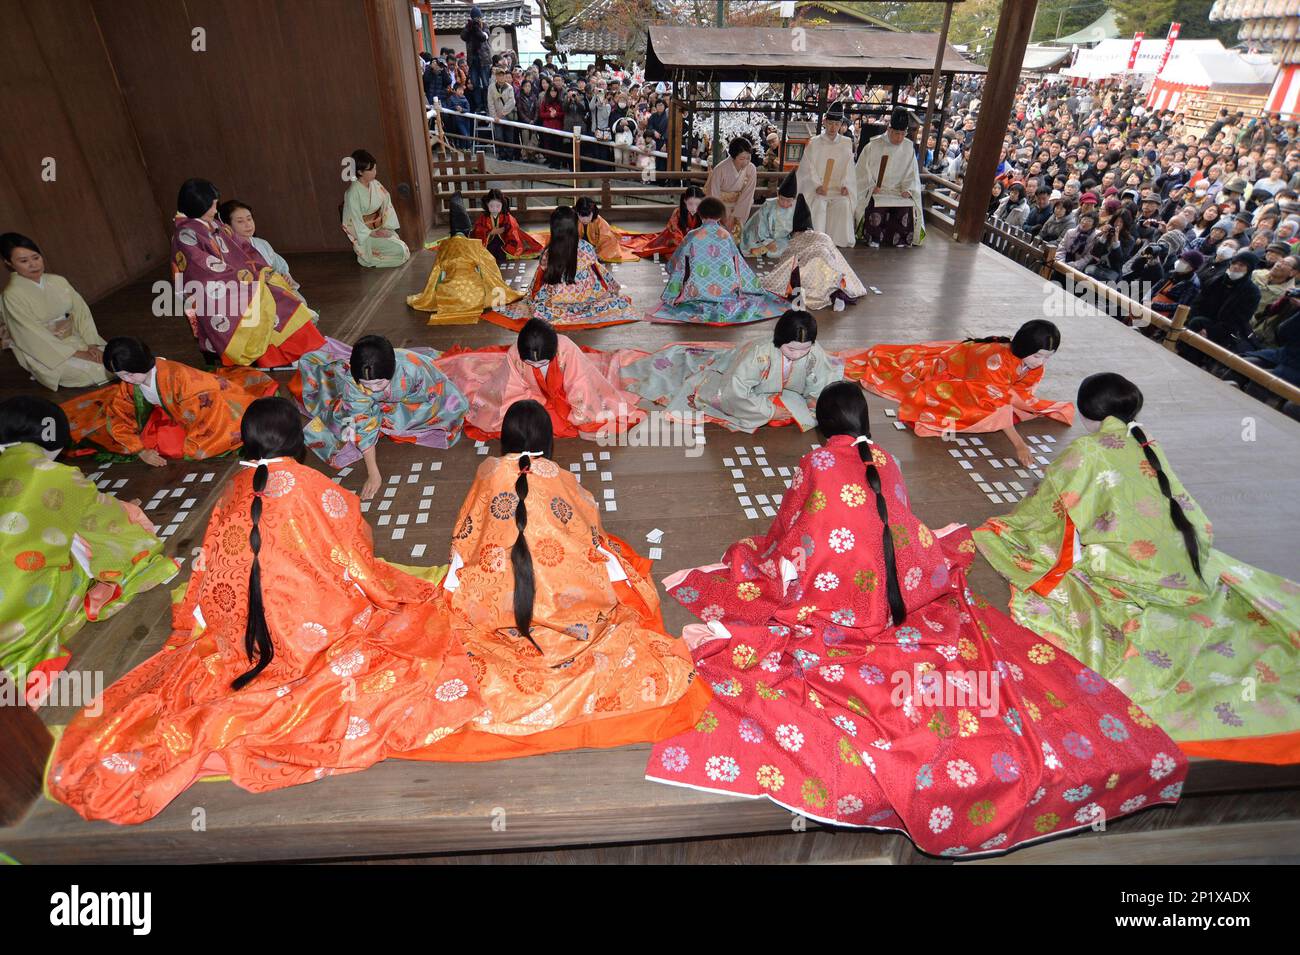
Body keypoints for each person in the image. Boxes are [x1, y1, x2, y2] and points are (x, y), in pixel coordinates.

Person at [645, 382, 1187, 853]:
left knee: (780, 574)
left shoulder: (818, 461)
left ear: (822, 425)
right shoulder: (886, 459)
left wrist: (768, 557)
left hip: (841, 597)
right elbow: (896, 521)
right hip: (907, 586)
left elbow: (794, 524)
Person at [46, 397, 482, 825]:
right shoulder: (314, 488)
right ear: (295, 440)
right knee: (401, 621)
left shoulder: (234, 492)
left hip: (243, 637)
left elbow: (210, 567)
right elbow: (352, 555)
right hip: (311, 630)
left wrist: (198, 621)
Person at [975, 373, 1299, 764]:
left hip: (1136, 567)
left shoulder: (1088, 450)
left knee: (1026, 546)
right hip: (1184, 555)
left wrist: (1016, 521)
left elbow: (1048, 502)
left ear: (1085, 411)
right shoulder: (1143, 440)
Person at [400, 400, 708, 761]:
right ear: (548, 442)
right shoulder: (558, 476)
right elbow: (588, 531)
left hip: (495, 606)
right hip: (565, 603)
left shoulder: (488, 474)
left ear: (505, 441)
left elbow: (467, 537)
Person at [0, 396, 177, 693]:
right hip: (19, 604)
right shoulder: (58, 474)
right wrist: (128, 513)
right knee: (86, 538)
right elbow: (107, 520)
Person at [842, 320, 1073, 467]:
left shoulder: (1032, 363)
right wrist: (1019, 444)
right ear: (1024, 348)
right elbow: (999, 402)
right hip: (952, 369)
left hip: (985, 378)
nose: (1041, 362)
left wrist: (1020, 402)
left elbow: (1018, 392)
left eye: (1047, 356)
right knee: (979, 410)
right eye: (1038, 356)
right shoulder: (995, 363)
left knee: (1024, 408)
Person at [171, 178, 323, 367]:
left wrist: (260, 270)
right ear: (196, 206)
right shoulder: (185, 234)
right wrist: (249, 278)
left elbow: (243, 250)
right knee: (268, 305)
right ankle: (277, 356)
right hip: (215, 293)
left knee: (282, 295)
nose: (214, 210)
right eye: (211, 206)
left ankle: (303, 349)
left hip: (237, 281)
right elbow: (204, 268)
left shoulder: (214, 224)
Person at [61, 337, 277, 465]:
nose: (124, 379)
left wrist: (192, 446)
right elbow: (120, 415)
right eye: (120, 375)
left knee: (176, 448)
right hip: (174, 412)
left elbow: (210, 417)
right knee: (105, 429)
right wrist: (139, 449)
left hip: (211, 407)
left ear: (141, 362)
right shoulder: (130, 382)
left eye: (128, 373)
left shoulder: (183, 382)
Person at [299, 335, 467, 498]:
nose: (373, 389)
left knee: (439, 417)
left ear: (392, 370)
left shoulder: (412, 370)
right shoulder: (354, 382)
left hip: (418, 400)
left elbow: (433, 397)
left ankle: (390, 415)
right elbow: (362, 423)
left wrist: (387, 410)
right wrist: (373, 473)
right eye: (366, 385)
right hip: (379, 403)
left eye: (379, 383)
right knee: (344, 427)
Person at [622, 310, 842, 432]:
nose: (797, 354)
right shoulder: (759, 353)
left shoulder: (813, 351)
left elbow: (822, 376)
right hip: (739, 364)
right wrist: (769, 411)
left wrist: (816, 398)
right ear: (779, 340)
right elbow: (734, 391)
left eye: (804, 348)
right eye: (791, 348)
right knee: (715, 387)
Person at [437, 318, 643, 440]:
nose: (537, 367)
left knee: (588, 421)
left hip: (567, 397)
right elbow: (510, 391)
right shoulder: (514, 354)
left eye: (542, 363)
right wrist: (537, 406)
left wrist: (580, 419)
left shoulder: (566, 349)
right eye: (532, 364)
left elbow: (581, 387)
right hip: (533, 399)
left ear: (554, 351)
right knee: (519, 423)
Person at [491, 206, 638, 331]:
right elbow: (597, 273)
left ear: (554, 228)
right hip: (585, 296)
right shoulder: (586, 247)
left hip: (557, 298)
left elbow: (539, 278)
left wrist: (533, 294)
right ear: (575, 225)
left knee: (540, 304)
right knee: (599, 273)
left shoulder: (549, 251)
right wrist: (610, 287)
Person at [648, 197, 787, 326]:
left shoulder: (693, 235)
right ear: (720, 216)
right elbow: (738, 262)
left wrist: (670, 269)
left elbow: (679, 260)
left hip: (696, 289)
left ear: (700, 215)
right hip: (726, 288)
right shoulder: (726, 235)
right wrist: (751, 284)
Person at [0, 233, 109, 390]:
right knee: (95, 370)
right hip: (44, 352)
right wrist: (79, 354)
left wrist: (91, 344)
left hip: (76, 339)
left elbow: (81, 314)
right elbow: (30, 335)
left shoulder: (58, 281)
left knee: (115, 357)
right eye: (24, 261)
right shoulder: (12, 295)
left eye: (36, 257)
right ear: (8, 263)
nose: (33, 265)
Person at [406, 193, 523, 325]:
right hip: (473, 293)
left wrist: (432, 293)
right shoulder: (473, 245)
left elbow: (435, 274)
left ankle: (450, 299)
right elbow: (489, 264)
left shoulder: (444, 247)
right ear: (468, 231)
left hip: (448, 294)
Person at [762, 195, 867, 311]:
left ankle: (812, 295)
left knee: (794, 275)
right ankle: (838, 295)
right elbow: (838, 258)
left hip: (810, 272)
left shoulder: (795, 240)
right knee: (835, 274)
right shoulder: (823, 235)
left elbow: (785, 264)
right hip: (828, 268)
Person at [1178, 249, 1263, 364]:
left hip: (1224, 330)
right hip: (1200, 321)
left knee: (1198, 324)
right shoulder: (1217, 280)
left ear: (1249, 269)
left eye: (1241, 265)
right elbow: (1198, 303)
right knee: (1196, 321)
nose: (1236, 267)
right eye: (1234, 263)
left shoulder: (1252, 292)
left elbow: (1239, 320)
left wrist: (1210, 331)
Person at [856, 107, 925, 247]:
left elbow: (912, 173)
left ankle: (899, 240)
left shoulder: (908, 147)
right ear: (889, 130)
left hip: (898, 191)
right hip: (878, 191)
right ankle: (874, 238)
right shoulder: (873, 145)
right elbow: (862, 170)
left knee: (904, 209)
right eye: (896, 133)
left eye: (902, 134)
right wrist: (870, 186)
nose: (899, 138)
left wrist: (908, 189)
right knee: (876, 208)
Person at [797, 107, 857, 247]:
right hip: (818, 189)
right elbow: (808, 167)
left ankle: (838, 241)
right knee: (819, 204)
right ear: (824, 122)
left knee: (843, 203)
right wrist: (816, 186)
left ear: (841, 124)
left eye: (836, 124)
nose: (833, 127)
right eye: (830, 123)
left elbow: (849, 168)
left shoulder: (846, 143)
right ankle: (817, 240)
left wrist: (846, 186)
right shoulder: (814, 142)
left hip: (837, 189)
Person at [342, 149, 410, 268]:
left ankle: (378, 255)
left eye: (375, 168)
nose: (375, 172)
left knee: (403, 248)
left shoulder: (376, 184)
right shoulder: (352, 193)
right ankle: (367, 257)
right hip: (366, 236)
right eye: (372, 169)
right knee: (401, 250)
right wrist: (372, 233)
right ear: (360, 172)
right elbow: (353, 221)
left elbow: (386, 202)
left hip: (380, 228)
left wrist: (385, 227)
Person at [218, 200, 300, 291]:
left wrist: (285, 276)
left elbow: (279, 266)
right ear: (226, 226)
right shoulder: (225, 250)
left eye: (249, 219)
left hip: (274, 288)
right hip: (251, 295)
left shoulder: (262, 244)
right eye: (240, 221)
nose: (248, 224)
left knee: (300, 302)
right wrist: (258, 279)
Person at [619, 186, 703, 260]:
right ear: (685, 201)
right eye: (690, 204)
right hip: (676, 241)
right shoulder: (678, 212)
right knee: (675, 254)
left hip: (693, 242)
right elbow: (674, 232)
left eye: (697, 204)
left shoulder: (704, 213)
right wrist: (685, 246)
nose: (694, 208)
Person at [470, 189, 544, 261]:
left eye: (498, 206)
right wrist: (490, 231)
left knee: (502, 255)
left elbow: (513, 231)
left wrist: (505, 229)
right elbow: (478, 229)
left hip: (504, 242)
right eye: (491, 206)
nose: (494, 209)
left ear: (502, 204)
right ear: (487, 204)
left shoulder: (507, 217)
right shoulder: (483, 217)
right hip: (488, 242)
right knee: (487, 255)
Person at [705, 137, 758, 236]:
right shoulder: (720, 169)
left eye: (748, 158)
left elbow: (748, 195)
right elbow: (713, 194)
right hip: (720, 208)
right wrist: (722, 217)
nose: (746, 162)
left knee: (736, 234)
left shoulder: (751, 169)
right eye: (742, 158)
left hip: (740, 207)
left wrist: (735, 216)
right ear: (733, 156)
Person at [741, 169, 799, 258]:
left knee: (789, 250)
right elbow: (761, 225)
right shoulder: (769, 205)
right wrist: (767, 242)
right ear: (778, 194)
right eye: (782, 199)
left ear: (793, 199)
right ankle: (761, 249)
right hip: (759, 235)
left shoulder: (795, 209)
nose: (784, 203)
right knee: (755, 244)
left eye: (788, 201)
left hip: (781, 239)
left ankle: (764, 251)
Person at [574, 197, 636, 263]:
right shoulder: (574, 220)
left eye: (588, 216)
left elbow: (607, 238)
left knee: (610, 241)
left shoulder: (599, 221)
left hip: (597, 245)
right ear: (577, 212)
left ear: (593, 212)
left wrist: (601, 254)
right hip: (582, 244)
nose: (585, 219)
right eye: (581, 216)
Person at [461, 5, 492, 113]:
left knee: (486, 83)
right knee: (475, 83)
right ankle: (479, 105)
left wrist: (477, 28)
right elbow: (463, 36)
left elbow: (484, 37)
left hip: (484, 59)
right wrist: (470, 28)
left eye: (478, 17)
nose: (476, 19)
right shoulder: (468, 26)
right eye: (474, 17)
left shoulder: (484, 26)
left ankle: (487, 104)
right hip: (473, 59)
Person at [488, 68, 518, 161]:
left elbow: (512, 102)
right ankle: (501, 153)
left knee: (509, 136)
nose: (500, 77)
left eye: (502, 75)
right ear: (496, 76)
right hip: (496, 116)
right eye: (498, 75)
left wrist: (503, 112)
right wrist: (494, 115)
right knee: (499, 136)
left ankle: (509, 155)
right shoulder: (491, 87)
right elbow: (490, 102)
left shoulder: (509, 87)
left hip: (508, 115)